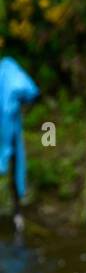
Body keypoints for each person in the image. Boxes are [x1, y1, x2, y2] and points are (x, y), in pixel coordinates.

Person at [0, 56, 39, 235]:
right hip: (10, 128)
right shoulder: (12, 71)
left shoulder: (6, 71)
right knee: (15, 167)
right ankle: (17, 212)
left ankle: (15, 211)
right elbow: (31, 91)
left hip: (7, 127)